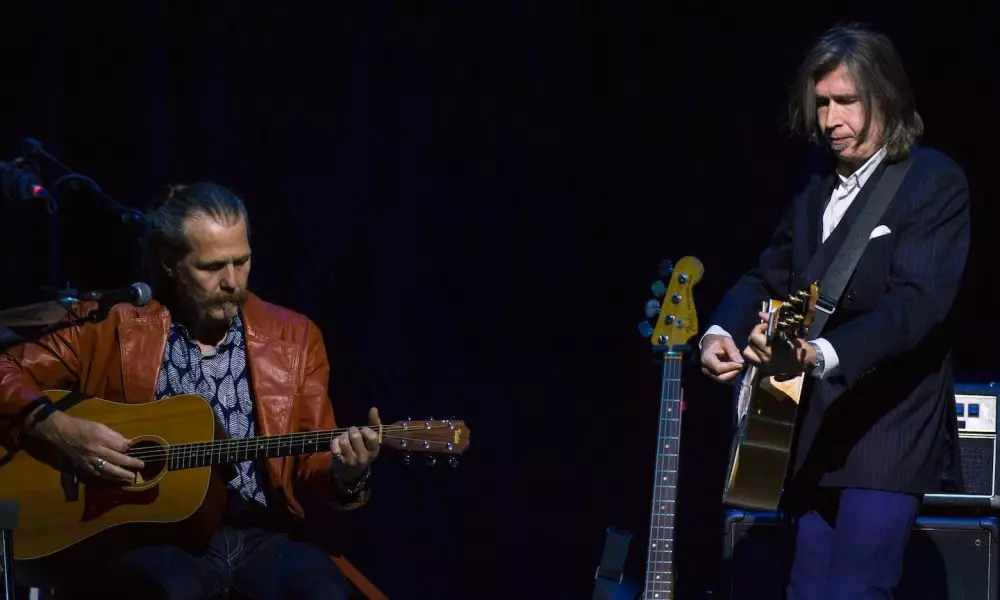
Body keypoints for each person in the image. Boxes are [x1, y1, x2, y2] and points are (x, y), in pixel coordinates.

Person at [0, 182, 381, 599]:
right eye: (213, 267)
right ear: (169, 262)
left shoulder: (295, 337)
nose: (233, 281)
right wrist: (63, 431)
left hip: (262, 535)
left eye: (242, 261)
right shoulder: (111, 326)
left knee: (324, 592)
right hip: (154, 538)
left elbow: (314, 461)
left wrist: (348, 473)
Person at [699, 22, 969, 599]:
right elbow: (766, 273)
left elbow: (916, 306)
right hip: (811, 427)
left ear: (886, 97)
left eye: (846, 101)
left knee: (855, 591)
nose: (829, 120)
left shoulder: (933, 181)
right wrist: (719, 329)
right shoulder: (814, 181)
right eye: (822, 103)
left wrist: (820, 352)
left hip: (887, 426)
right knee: (806, 590)